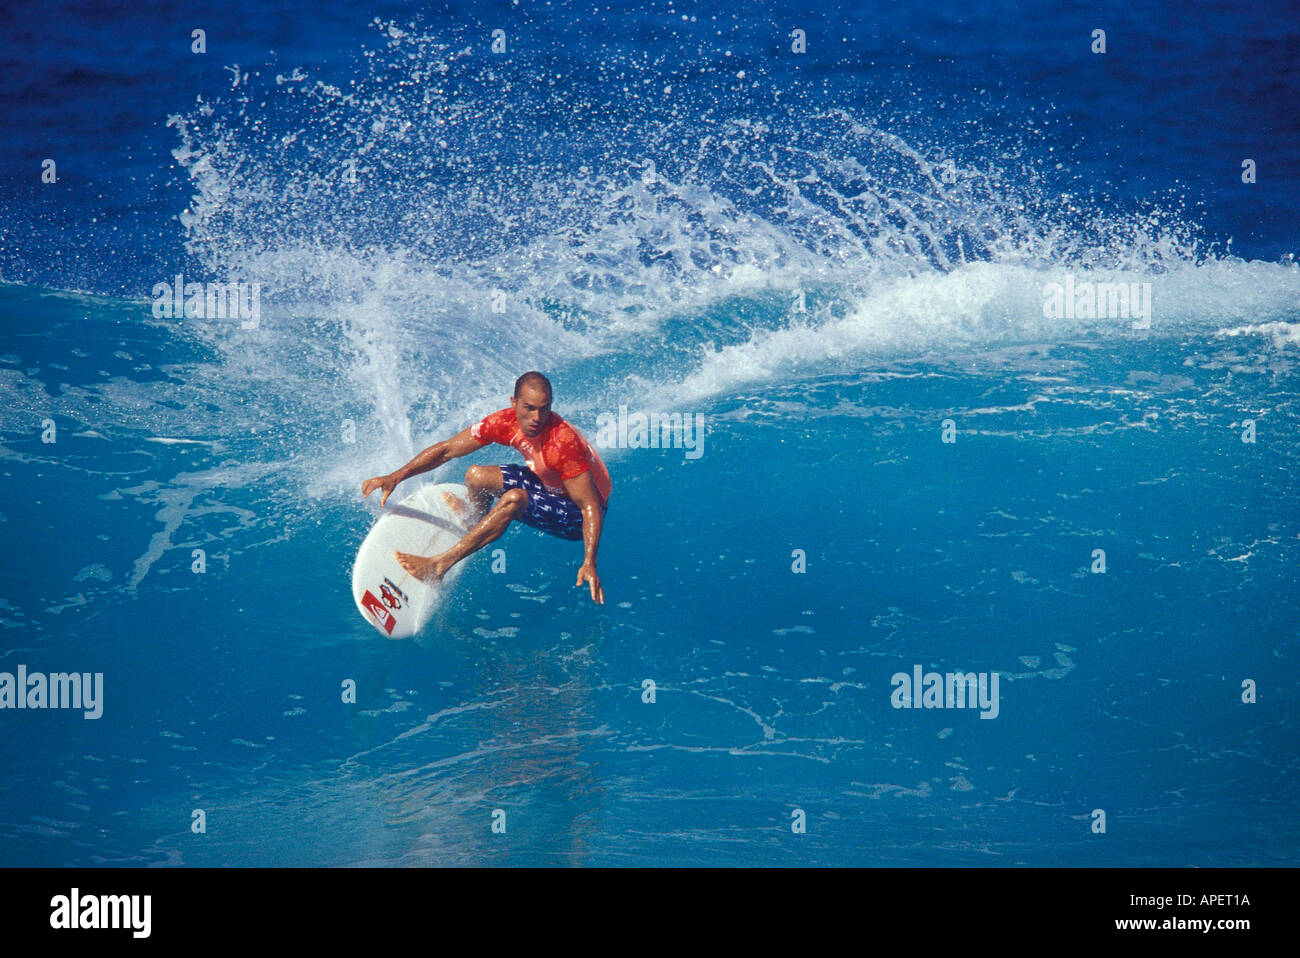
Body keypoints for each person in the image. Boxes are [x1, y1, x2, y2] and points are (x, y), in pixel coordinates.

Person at [361, 372, 610, 604]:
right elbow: (447, 450)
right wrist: (396, 476)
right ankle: (476, 522)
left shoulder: (562, 443)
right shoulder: (504, 422)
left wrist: (590, 561)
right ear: (514, 402)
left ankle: (438, 566)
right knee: (476, 476)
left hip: (578, 515)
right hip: (549, 485)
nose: (537, 418)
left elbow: (589, 506)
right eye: (529, 408)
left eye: (544, 410)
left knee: (514, 500)